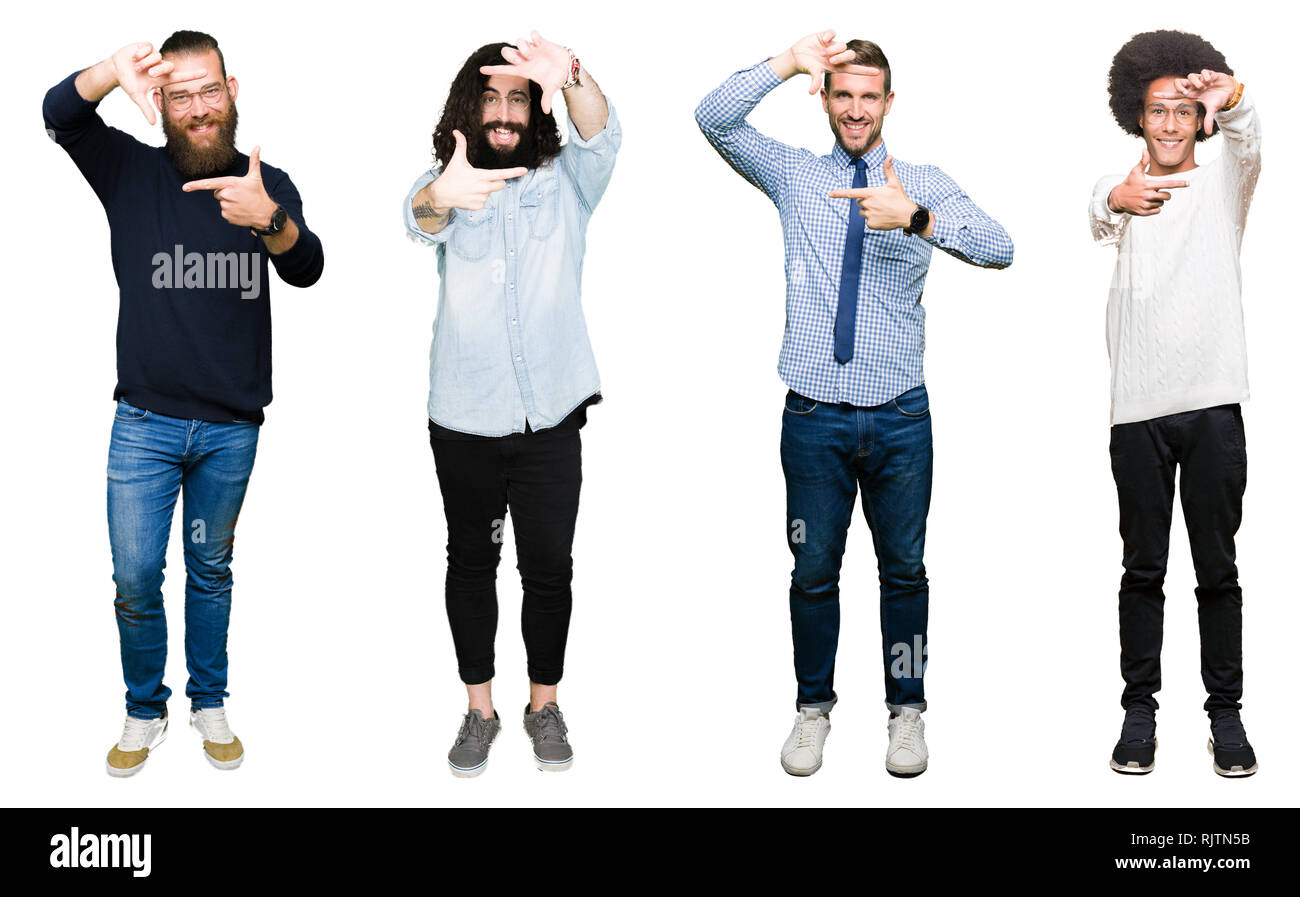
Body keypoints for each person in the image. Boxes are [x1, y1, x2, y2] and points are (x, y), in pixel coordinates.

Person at [696, 31, 1013, 778]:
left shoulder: (923, 182)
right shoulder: (793, 175)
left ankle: (908, 712)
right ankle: (813, 710)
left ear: (889, 102)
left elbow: (1001, 247)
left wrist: (918, 220)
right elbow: (713, 118)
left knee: (904, 570)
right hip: (814, 417)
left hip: (900, 416)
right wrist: (787, 62)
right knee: (812, 571)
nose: (856, 108)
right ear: (827, 100)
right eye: (843, 93)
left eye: (870, 95)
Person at [43, 31, 324, 777]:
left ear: (232, 91)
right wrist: (108, 72)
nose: (197, 108)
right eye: (180, 94)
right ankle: (144, 709)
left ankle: (209, 699)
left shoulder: (267, 183)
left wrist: (268, 218)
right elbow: (59, 116)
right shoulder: (128, 170)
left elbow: (307, 267)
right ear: (159, 103)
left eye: (208, 90)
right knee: (135, 577)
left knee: (210, 567)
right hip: (144, 428)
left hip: (230, 432)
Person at [403, 31, 619, 777]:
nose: (502, 111)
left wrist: (574, 74)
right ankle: (478, 710)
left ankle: (544, 703)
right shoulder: (448, 182)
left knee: (548, 568)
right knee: (471, 563)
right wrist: (440, 194)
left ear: (534, 109)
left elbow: (602, 132)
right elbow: (417, 217)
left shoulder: (570, 181)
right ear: (471, 107)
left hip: (551, 418)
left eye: (517, 98)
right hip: (463, 419)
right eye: (490, 97)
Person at [1090, 30, 1260, 778]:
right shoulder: (1122, 194)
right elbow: (1096, 212)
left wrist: (1237, 101)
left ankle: (1227, 716)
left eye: (1182, 111)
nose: (1167, 123)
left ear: (1199, 122)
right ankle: (1138, 713)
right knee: (1142, 570)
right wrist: (1111, 194)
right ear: (1137, 114)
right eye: (1155, 109)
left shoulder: (1223, 185)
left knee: (1217, 569)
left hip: (1214, 406)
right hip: (1138, 415)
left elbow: (1251, 148)